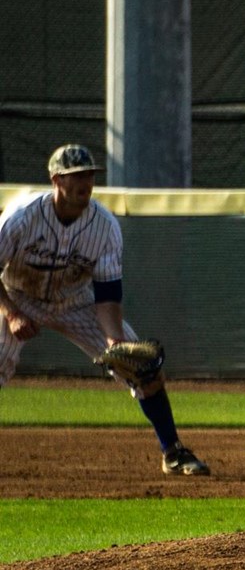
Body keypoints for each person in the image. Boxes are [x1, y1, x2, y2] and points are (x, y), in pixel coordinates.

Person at [0, 144, 209, 476]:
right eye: (76, 176)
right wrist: (11, 313)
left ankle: (173, 452)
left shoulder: (104, 226)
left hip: (75, 302)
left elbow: (108, 294)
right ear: (56, 179)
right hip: (16, 295)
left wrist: (114, 342)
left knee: (143, 369)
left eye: (90, 175)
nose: (85, 182)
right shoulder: (21, 216)